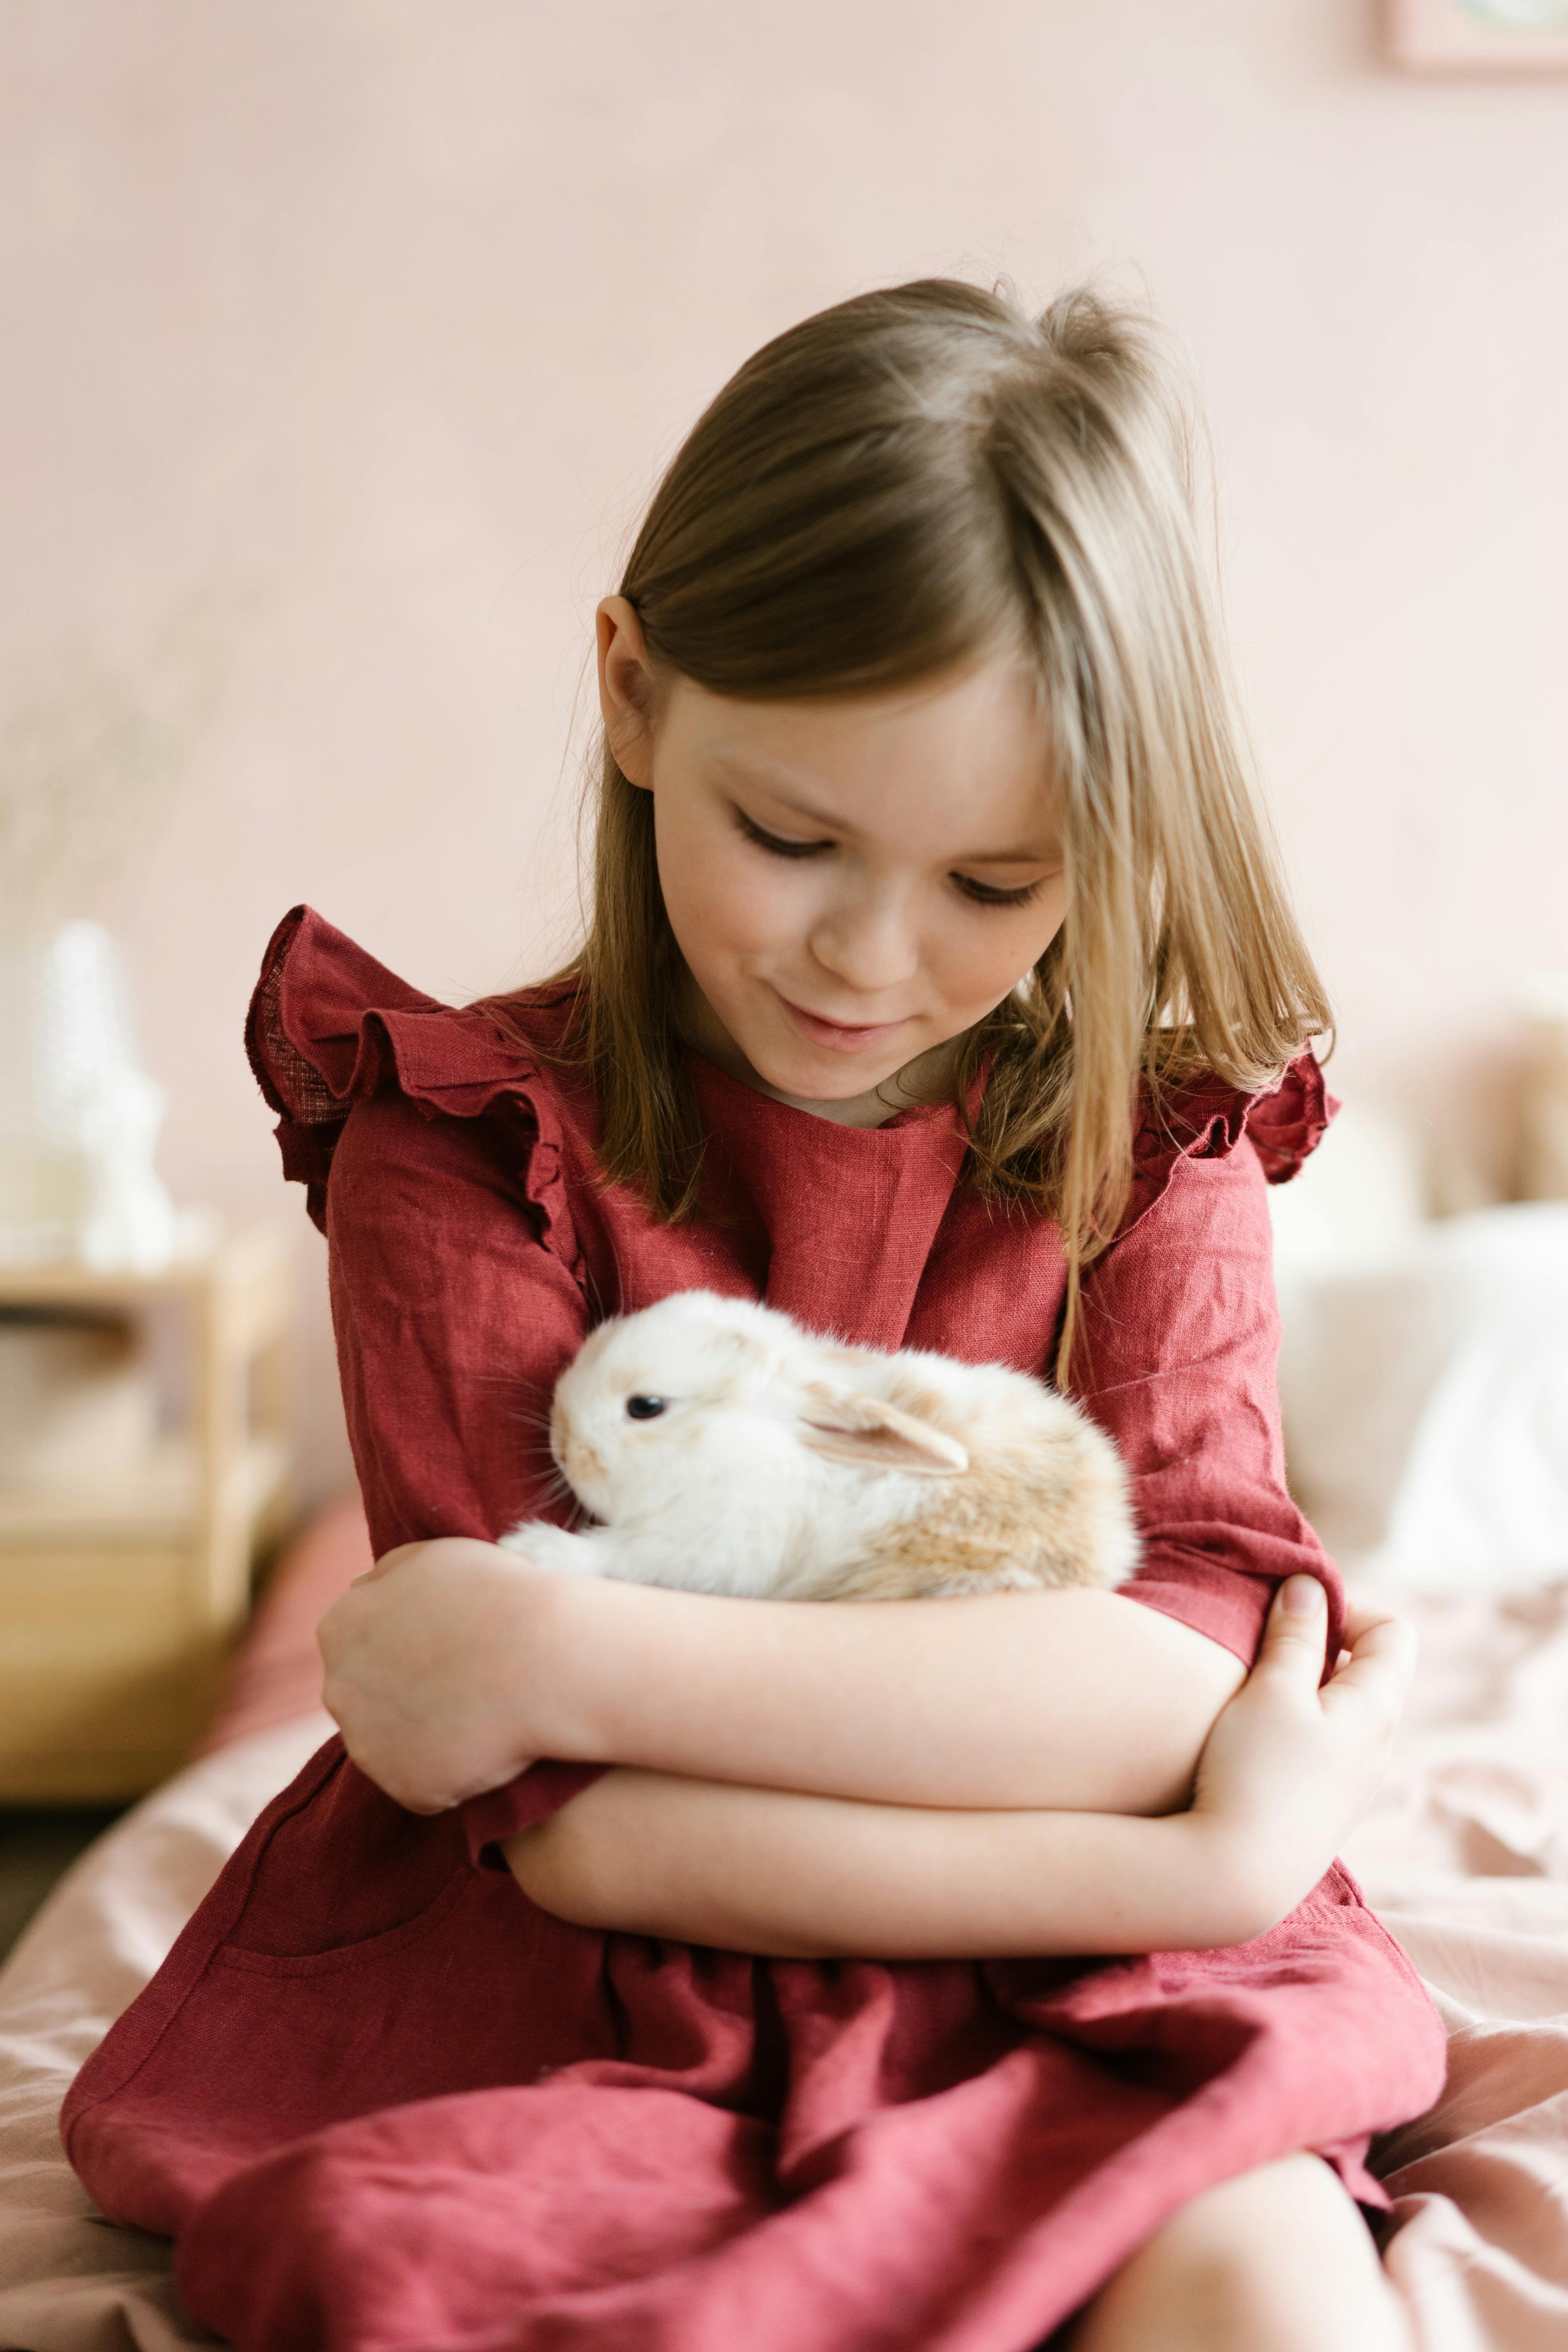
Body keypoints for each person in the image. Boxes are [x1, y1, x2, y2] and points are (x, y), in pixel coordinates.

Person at [63, 280, 1445, 2352]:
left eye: (996, 884)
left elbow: (1178, 1675)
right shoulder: (463, 1143)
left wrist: (552, 1644)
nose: (871, 955)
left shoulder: (1160, 1148)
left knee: (1266, 2293)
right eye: (791, 836)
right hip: (587, 1997)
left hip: (1114, 1966)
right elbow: (577, 1838)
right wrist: (1180, 1832)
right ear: (633, 697)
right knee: (402, 2274)